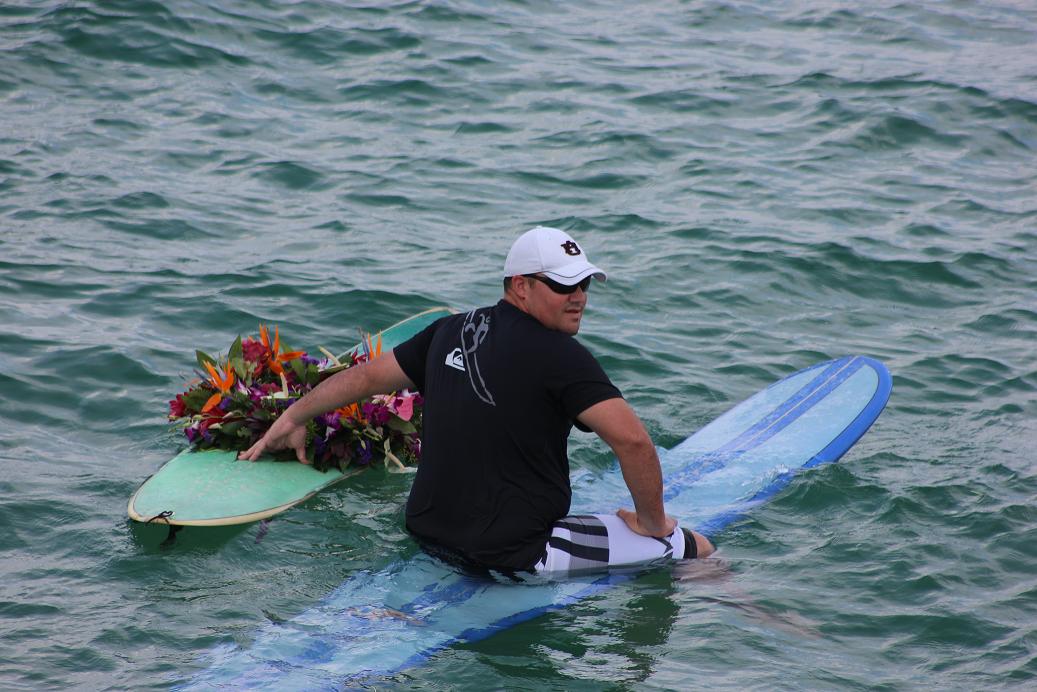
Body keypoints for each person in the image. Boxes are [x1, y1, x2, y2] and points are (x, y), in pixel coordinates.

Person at [239, 226, 714, 573]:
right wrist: (653, 523)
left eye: (584, 284)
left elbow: (365, 378)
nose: (579, 297)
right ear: (520, 286)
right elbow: (633, 442)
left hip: (425, 531)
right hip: (516, 553)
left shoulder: (450, 330)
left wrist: (293, 417)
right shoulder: (562, 356)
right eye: (563, 285)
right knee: (698, 549)